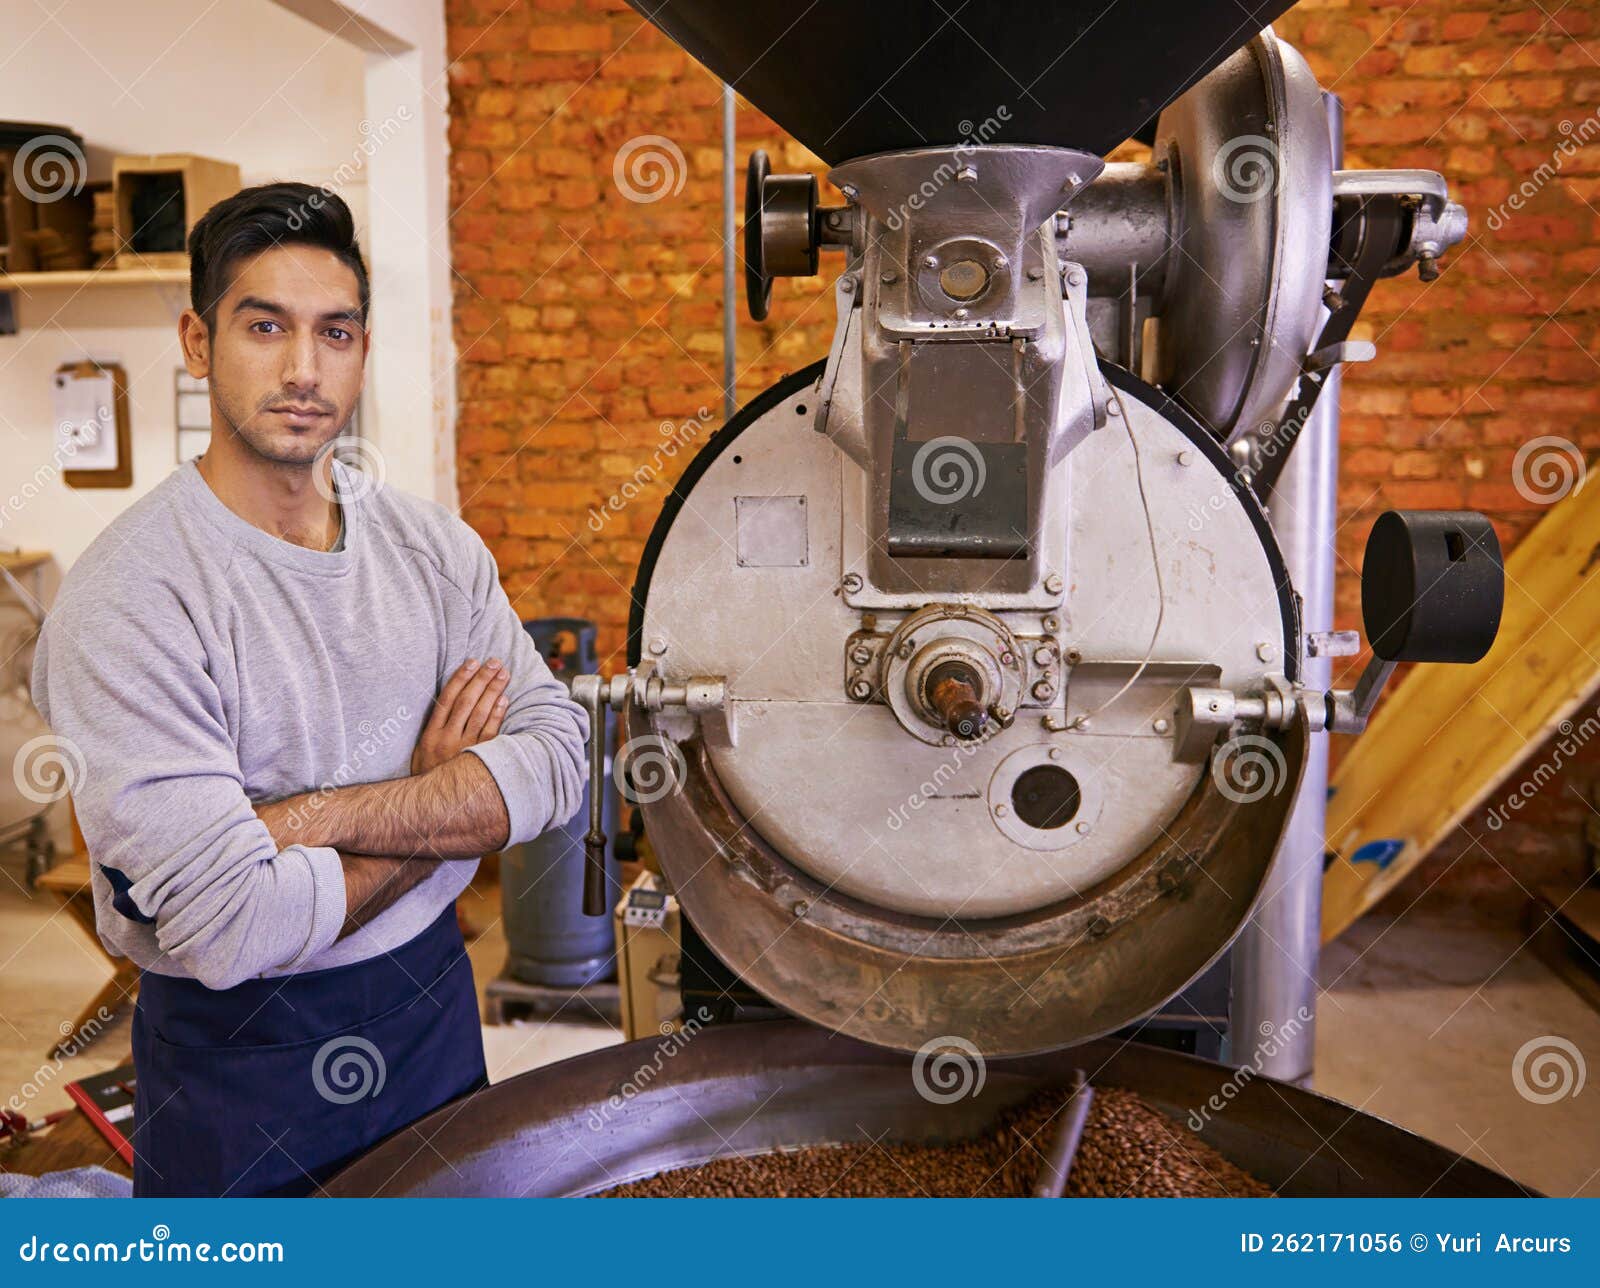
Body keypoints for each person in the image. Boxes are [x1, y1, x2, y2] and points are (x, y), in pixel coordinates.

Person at [30, 181, 589, 1197]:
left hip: (429, 1012)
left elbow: (557, 760)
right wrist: (442, 804)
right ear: (198, 343)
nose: (303, 369)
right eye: (264, 326)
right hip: (240, 1061)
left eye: (335, 332)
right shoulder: (132, 596)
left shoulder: (431, 550)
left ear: (364, 352)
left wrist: (298, 822)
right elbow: (231, 924)